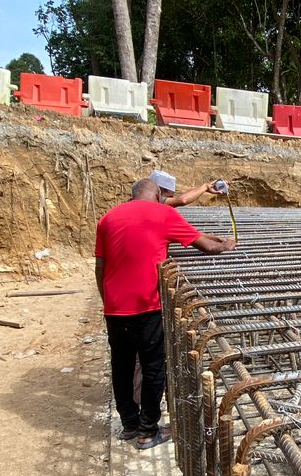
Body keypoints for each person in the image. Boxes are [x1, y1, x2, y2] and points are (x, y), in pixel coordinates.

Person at [95, 178, 236, 448]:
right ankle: (148, 431)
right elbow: (206, 246)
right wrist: (226, 245)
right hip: (147, 307)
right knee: (153, 368)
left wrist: (107, 302)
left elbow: (99, 267)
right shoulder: (164, 213)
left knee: (121, 367)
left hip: (115, 309)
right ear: (159, 195)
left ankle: (129, 425)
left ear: (133, 195)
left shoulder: (108, 218)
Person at [150, 169, 226, 207]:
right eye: (169, 196)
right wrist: (205, 187)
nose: (170, 199)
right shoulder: (153, 200)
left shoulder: (145, 195)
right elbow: (182, 200)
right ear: (159, 191)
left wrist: (205, 187)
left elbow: (181, 197)